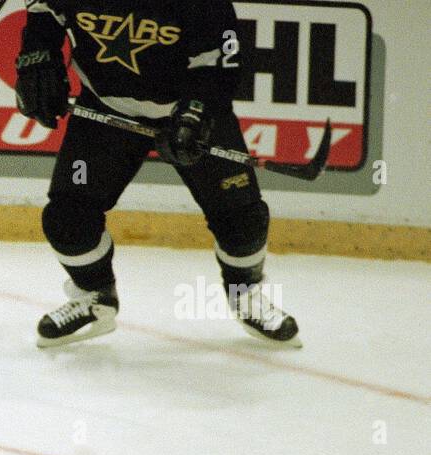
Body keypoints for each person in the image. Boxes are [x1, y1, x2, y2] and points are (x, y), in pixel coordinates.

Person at [15, 0, 302, 347]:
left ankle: (245, 294)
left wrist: (195, 114)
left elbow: (223, 59)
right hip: (107, 105)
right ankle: (94, 295)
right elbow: (45, 11)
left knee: (242, 218)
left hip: (188, 110)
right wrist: (37, 57)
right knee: (68, 218)